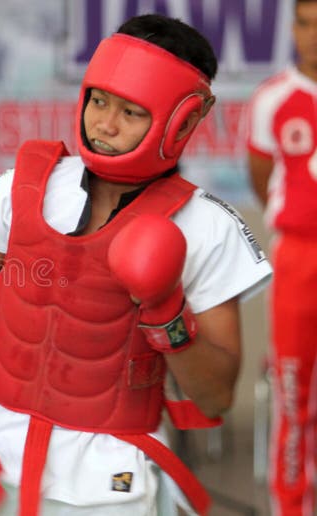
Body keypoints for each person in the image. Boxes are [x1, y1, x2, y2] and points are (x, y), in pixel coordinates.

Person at [0, 14, 272, 516]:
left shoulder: (207, 228)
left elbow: (214, 397)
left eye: (131, 112)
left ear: (184, 120)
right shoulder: (28, 185)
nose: (104, 124)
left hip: (110, 471)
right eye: (99, 101)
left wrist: (165, 311)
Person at [246, 1, 317, 514]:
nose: (313, 36)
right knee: (293, 391)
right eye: (306, 24)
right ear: (293, 28)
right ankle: (290, 504)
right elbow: (259, 175)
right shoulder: (274, 98)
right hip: (299, 256)